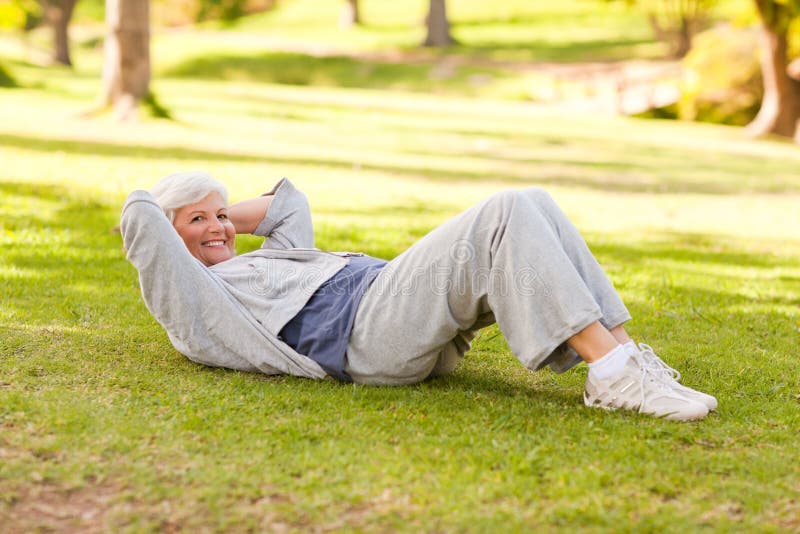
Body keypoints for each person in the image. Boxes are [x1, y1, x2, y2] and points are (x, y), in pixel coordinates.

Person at [120, 172, 717, 422]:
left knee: (531, 199)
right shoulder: (198, 304)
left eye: (223, 216)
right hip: (366, 336)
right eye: (197, 221)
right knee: (503, 211)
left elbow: (286, 205)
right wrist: (182, 222)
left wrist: (215, 216)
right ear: (168, 244)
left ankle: (628, 361)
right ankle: (611, 378)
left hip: (391, 305)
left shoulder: (268, 258)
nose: (220, 226)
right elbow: (142, 215)